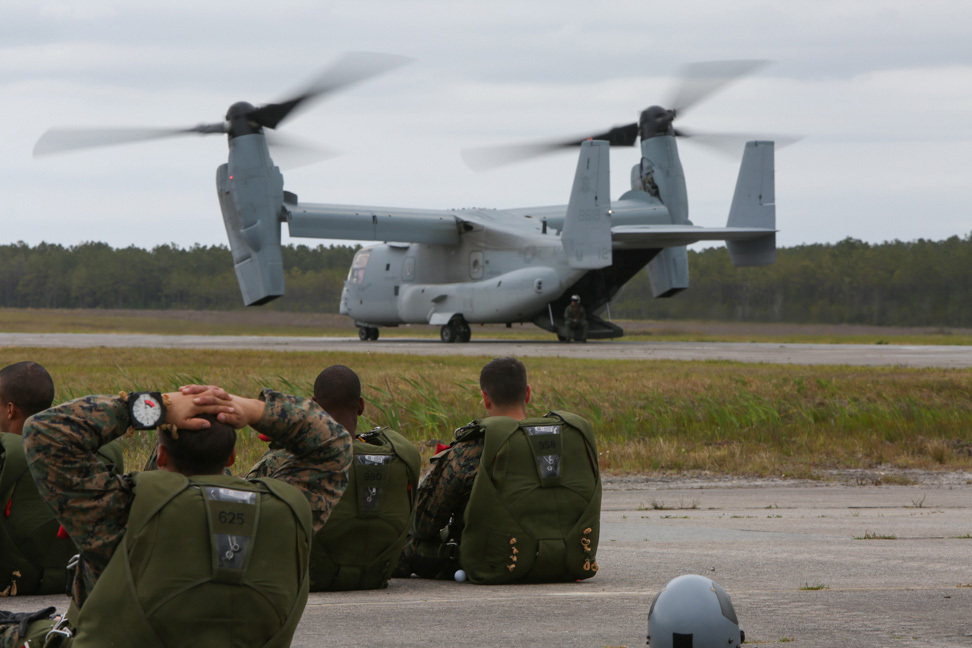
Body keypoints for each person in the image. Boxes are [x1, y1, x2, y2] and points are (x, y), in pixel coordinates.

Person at [4, 383, 351, 647]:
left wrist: (155, 406)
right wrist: (247, 407)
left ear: (162, 458)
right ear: (230, 459)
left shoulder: (121, 511)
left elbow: (45, 431)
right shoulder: (286, 513)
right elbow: (333, 443)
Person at [396, 357, 601, 584]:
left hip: (493, 562)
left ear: (485, 398)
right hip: (568, 561)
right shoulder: (569, 444)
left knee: (409, 545)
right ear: (528, 394)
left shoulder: (470, 451)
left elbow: (424, 525)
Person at [250, 365, 420, 591]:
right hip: (375, 577)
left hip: (307, 578)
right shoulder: (400, 459)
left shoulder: (283, 460)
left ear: (315, 406)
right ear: (360, 406)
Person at [0, 362, 77, 598]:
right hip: (72, 576)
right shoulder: (85, 450)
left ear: (10, 409)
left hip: (13, 580)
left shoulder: (7, 453)